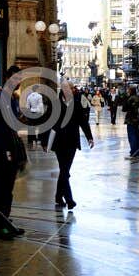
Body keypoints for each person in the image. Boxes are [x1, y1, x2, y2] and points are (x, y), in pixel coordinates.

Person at [0, 86, 25, 239]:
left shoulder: (13, 99)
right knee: (1, 187)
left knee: (8, 187)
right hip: (0, 147)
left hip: (11, 146)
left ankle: (5, 222)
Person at [52, 83, 94, 212]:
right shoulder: (56, 103)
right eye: (69, 88)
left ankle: (59, 196)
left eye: (72, 89)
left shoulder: (76, 103)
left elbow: (83, 121)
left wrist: (89, 137)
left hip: (71, 142)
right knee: (64, 170)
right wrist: (43, 140)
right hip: (59, 142)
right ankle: (69, 200)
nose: (71, 90)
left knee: (64, 170)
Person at [123, 87, 139, 158]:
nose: (128, 92)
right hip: (136, 119)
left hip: (130, 119)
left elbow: (124, 108)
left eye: (128, 90)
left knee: (132, 136)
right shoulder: (137, 98)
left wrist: (126, 98)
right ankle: (136, 151)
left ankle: (133, 152)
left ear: (131, 91)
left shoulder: (130, 98)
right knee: (136, 136)